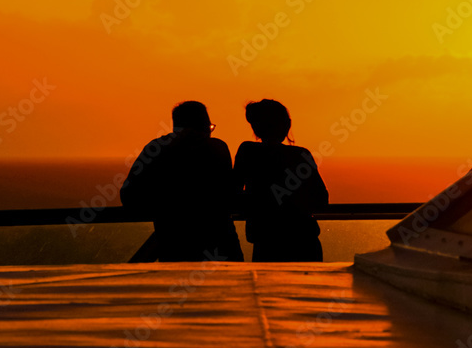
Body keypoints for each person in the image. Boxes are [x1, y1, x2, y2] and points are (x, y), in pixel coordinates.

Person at [120, 101, 243, 262]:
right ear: (202, 127)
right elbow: (230, 193)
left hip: (174, 246)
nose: (209, 133)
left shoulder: (155, 149)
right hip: (222, 245)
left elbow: (128, 196)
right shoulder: (217, 147)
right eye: (208, 128)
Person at [233, 99, 328, 262]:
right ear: (287, 124)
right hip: (305, 242)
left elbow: (232, 193)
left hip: (267, 242)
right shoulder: (301, 155)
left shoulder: (248, 152)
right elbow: (321, 199)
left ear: (256, 127)